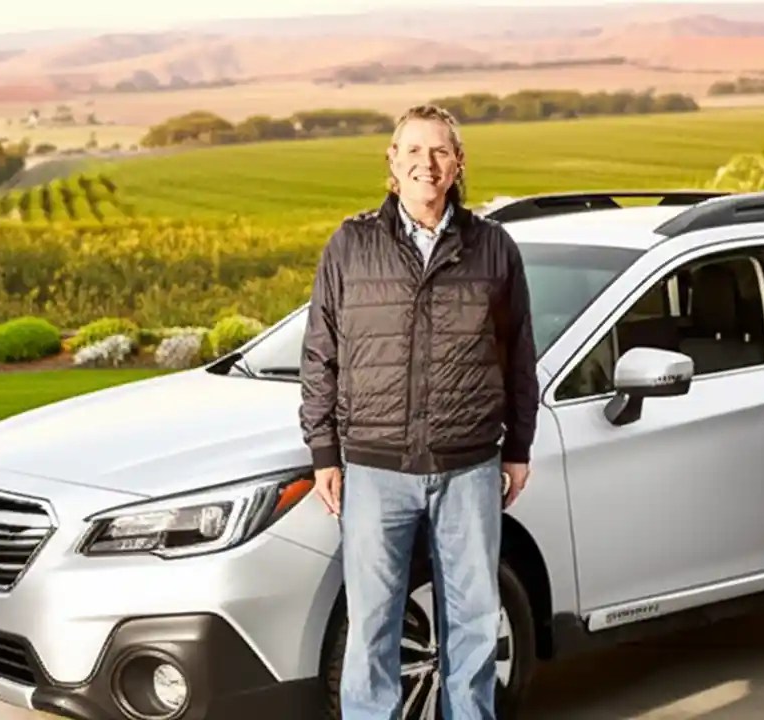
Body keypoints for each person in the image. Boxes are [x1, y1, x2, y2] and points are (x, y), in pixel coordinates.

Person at [298, 104, 538, 719]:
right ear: (391, 164)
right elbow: (320, 354)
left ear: (458, 165)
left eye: (439, 152)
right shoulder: (351, 246)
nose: (425, 164)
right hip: (376, 471)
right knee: (372, 628)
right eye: (412, 151)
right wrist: (325, 451)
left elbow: (518, 357)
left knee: (476, 626)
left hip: (469, 469)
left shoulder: (493, 249)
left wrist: (518, 447)